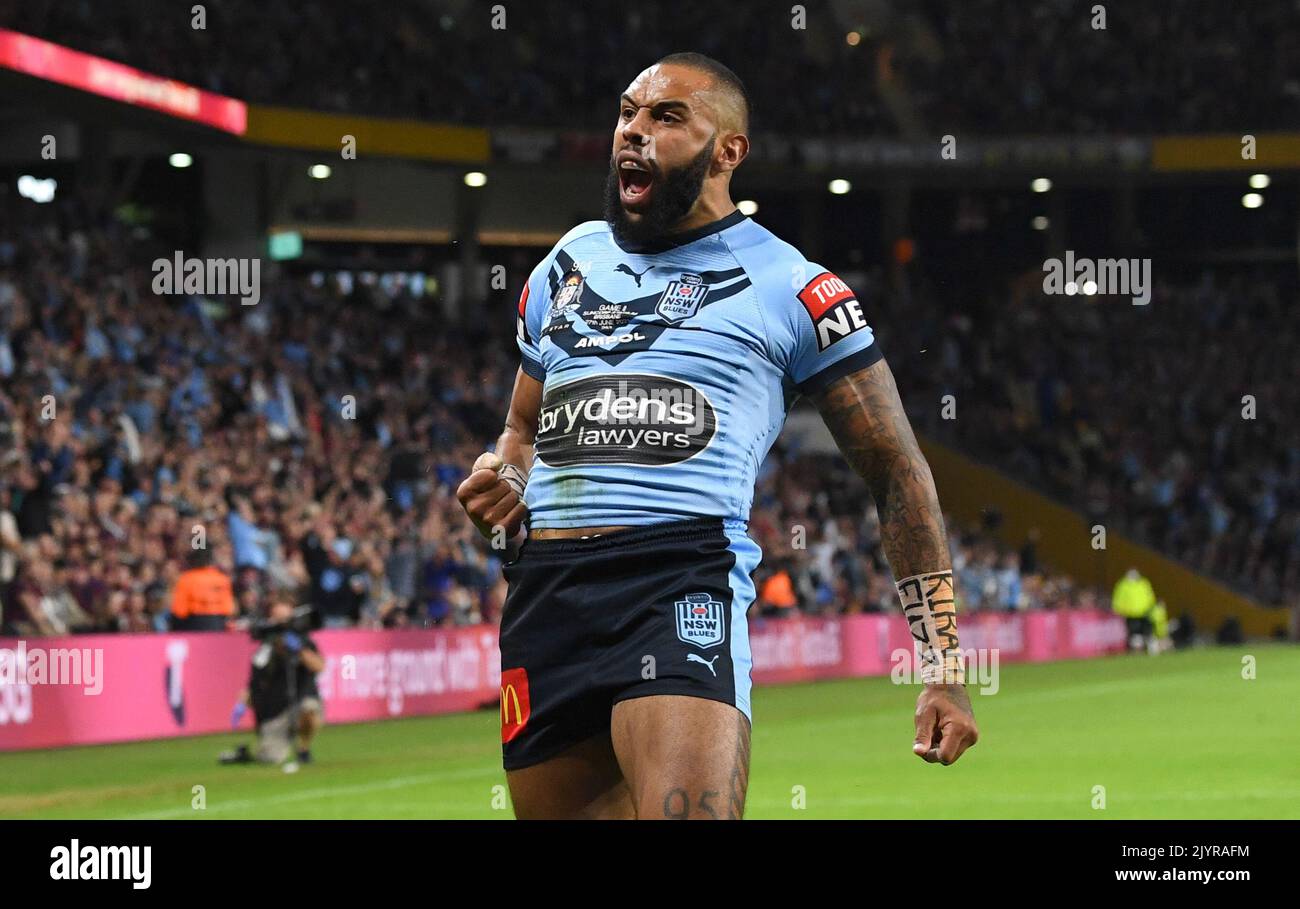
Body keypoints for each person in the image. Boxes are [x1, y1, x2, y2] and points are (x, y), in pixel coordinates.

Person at [457, 53, 977, 820]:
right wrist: (503, 470)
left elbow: (898, 472)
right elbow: (520, 431)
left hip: (677, 583)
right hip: (547, 593)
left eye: (667, 118)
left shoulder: (795, 289)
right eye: (628, 112)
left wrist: (941, 665)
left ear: (727, 152)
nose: (635, 132)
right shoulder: (568, 261)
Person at [219, 595, 325, 768]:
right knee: (269, 759)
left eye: (285, 619)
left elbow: (319, 666)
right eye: (277, 619)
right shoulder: (265, 650)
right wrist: (242, 704)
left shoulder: (303, 642)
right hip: (275, 714)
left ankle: (303, 749)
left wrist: (299, 650)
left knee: (310, 709)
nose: (282, 625)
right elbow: (253, 685)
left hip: (299, 705)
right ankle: (246, 753)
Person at [169, 547, 236, 631]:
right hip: (218, 625)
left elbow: (179, 611)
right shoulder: (222, 579)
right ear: (210, 560)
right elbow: (228, 608)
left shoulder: (186, 579)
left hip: (193, 625)